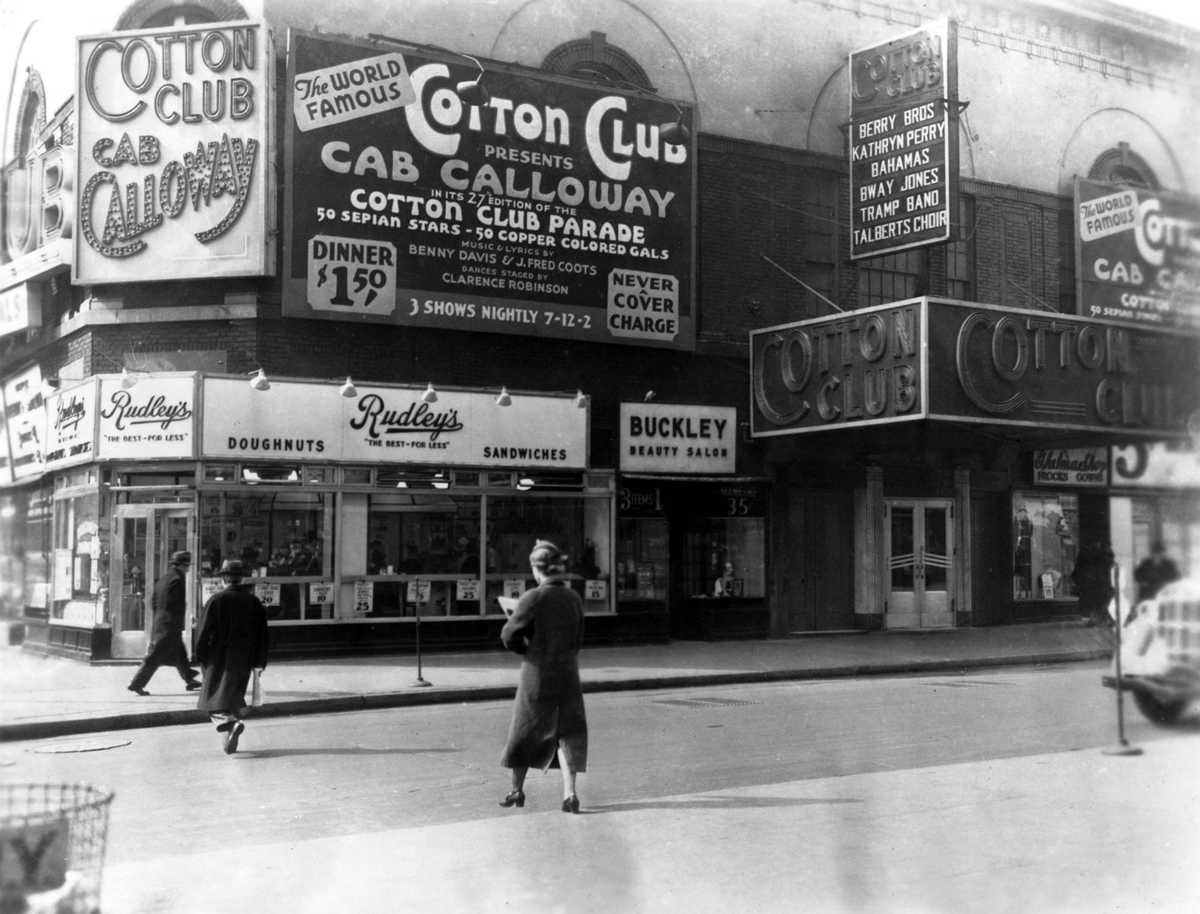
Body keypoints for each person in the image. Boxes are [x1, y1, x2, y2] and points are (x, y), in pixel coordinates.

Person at [498, 540, 588, 813]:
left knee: (525, 731)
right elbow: (579, 639)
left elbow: (508, 635)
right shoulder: (573, 599)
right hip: (567, 675)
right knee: (567, 734)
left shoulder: (533, 597)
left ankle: (517, 790)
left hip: (537, 675)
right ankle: (570, 795)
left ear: (537, 570)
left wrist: (528, 650)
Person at [194, 559, 269, 755]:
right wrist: (259, 662)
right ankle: (229, 743)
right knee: (232, 699)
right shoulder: (254, 602)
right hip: (244, 658)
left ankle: (230, 724)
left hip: (219, 658)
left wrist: (199, 655)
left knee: (212, 700)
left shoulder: (216, 600)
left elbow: (202, 633)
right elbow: (263, 635)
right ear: (241, 579)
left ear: (224, 579)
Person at [127, 551, 200, 695]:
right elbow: (176, 604)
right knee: (155, 655)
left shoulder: (164, 579)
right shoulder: (178, 579)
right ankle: (136, 683)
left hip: (161, 621)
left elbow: (153, 601)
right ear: (182, 565)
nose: (188, 569)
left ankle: (190, 680)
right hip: (169, 623)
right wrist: (176, 619)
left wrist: (159, 615)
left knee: (180, 653)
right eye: (187, 565)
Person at [1072, 540, 1115, 628]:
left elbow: (1078, 567)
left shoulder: (1087, 552)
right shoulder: (1104, 554)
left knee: (1096, 601)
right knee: (1101, 600)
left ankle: (1097, 619)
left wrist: (1076, 578)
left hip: (1094, 581)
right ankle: (1101, 619)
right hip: (1100, 582)